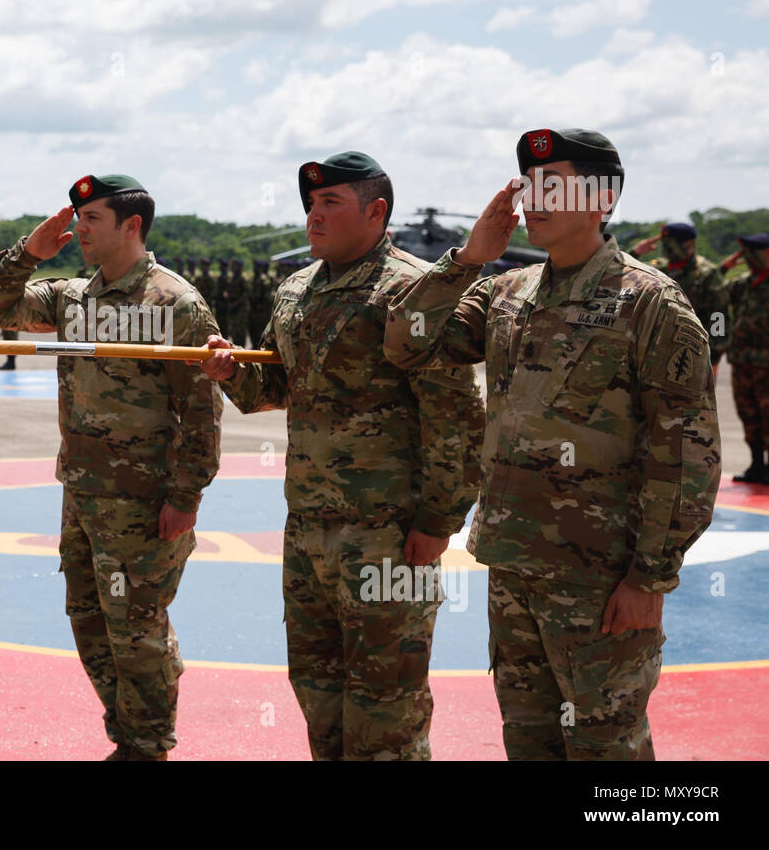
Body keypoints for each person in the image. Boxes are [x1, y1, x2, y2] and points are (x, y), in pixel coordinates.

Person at [383, 128, 720, 760]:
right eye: (529, 183)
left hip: (601, 579)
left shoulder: (651, 305)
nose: (533, 198)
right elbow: (407, 342)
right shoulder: (507, 294)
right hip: (513, 564)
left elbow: (686, 453)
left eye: (553, 185)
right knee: (530, 738)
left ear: (603, 199)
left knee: (606, 744)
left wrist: (651, 575)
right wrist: (465, 260)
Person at [199, 152, 483, 760]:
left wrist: (438, 522)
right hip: (308, 530)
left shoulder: (415, 292)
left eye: (331, 203)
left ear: (376, 212)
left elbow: (455, 417)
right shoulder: (298, 288)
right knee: (318, 690)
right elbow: (274, 389)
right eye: (310, 204)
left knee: (387, 706)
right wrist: (229, 370)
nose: (314, 216)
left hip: (388, 533)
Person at [0, 173, 222, 761]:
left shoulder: (174, 303)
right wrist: (29, 253)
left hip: (144, 502)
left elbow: (202, 411)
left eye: (92, 220)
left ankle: (149, 744)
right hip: (83, 495)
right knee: (88, 620)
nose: (80, 230)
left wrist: (185, 497)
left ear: (131, 226)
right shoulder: (73, 299)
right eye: (78, 220)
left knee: (137, 631)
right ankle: (128, 734)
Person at [630, 222, 729, 371]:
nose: (666, 248)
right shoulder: (658, 268)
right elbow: (625, 273)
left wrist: (715, 353)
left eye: (670, 244)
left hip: (693, 352)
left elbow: (719, 314)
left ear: (688, 244)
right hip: (653, 350)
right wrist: (634, 253)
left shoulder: (706, 273)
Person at [722, 233, 769, 482]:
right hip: (742, 361)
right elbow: (710, 288)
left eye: (754, 251)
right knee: (748, 414)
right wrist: (725, 266)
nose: (748, 258)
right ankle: (757, 465)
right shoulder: (741, 284)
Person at [248, 258, 274, 350]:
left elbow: (267, 296)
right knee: (253, 331)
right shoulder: (254, 278)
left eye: (257, 266)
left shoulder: (263, 279)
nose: (254, 268)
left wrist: (260, 305)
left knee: (260, 332)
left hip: (261, 312)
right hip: (253, 311)